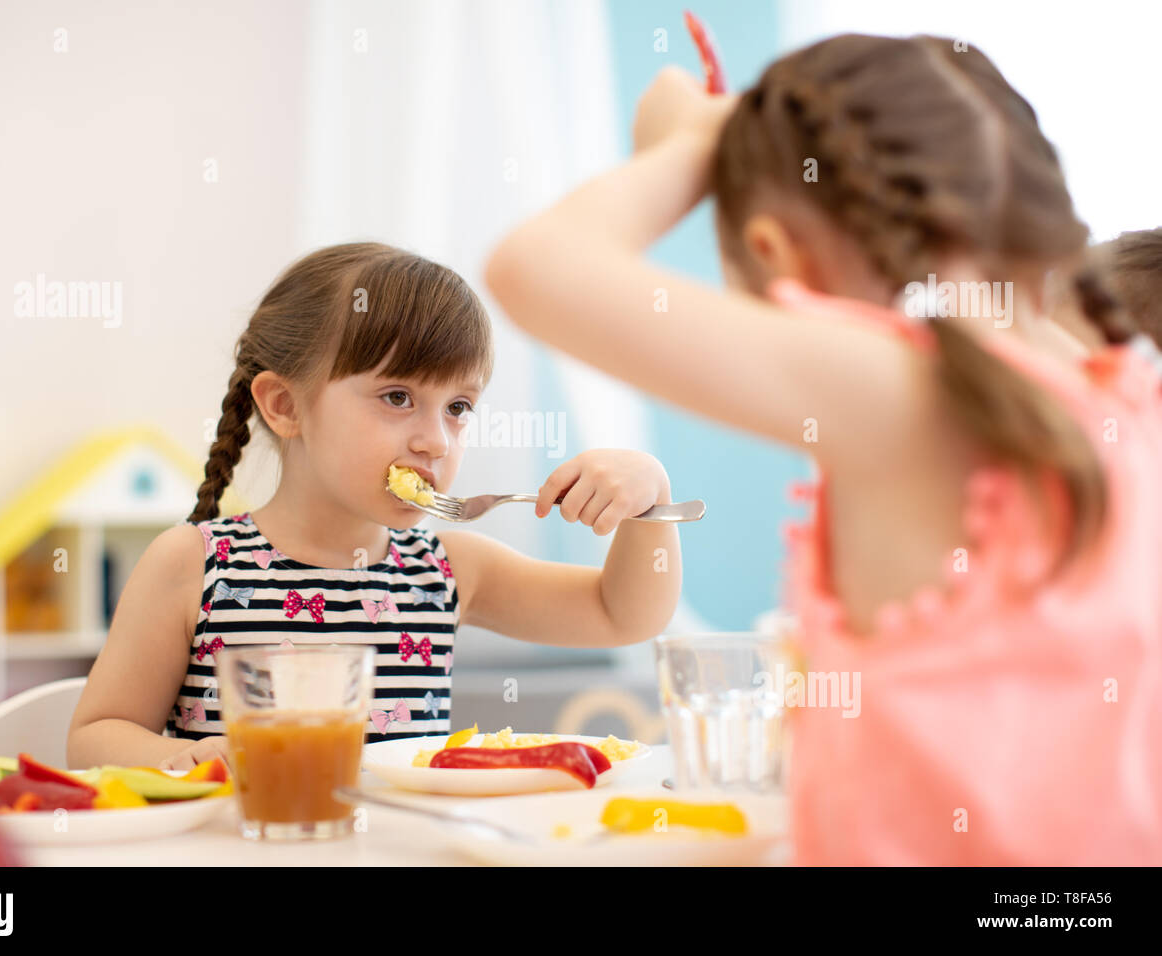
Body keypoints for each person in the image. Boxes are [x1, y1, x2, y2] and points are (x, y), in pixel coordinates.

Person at [483, 35, 1162, 864]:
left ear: (773, 253)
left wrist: (691, 147)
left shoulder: (907, 391)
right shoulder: (1125, 395)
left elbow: (533, 268)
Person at [67, 242, 682, 772]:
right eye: (396, 397)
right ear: (284, 406)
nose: (435, 440)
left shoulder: (447, 569)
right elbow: (96, 735)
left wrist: (650, 497)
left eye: (458, 408)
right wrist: (180, 759)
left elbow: (620, 614)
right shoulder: (194, 565)